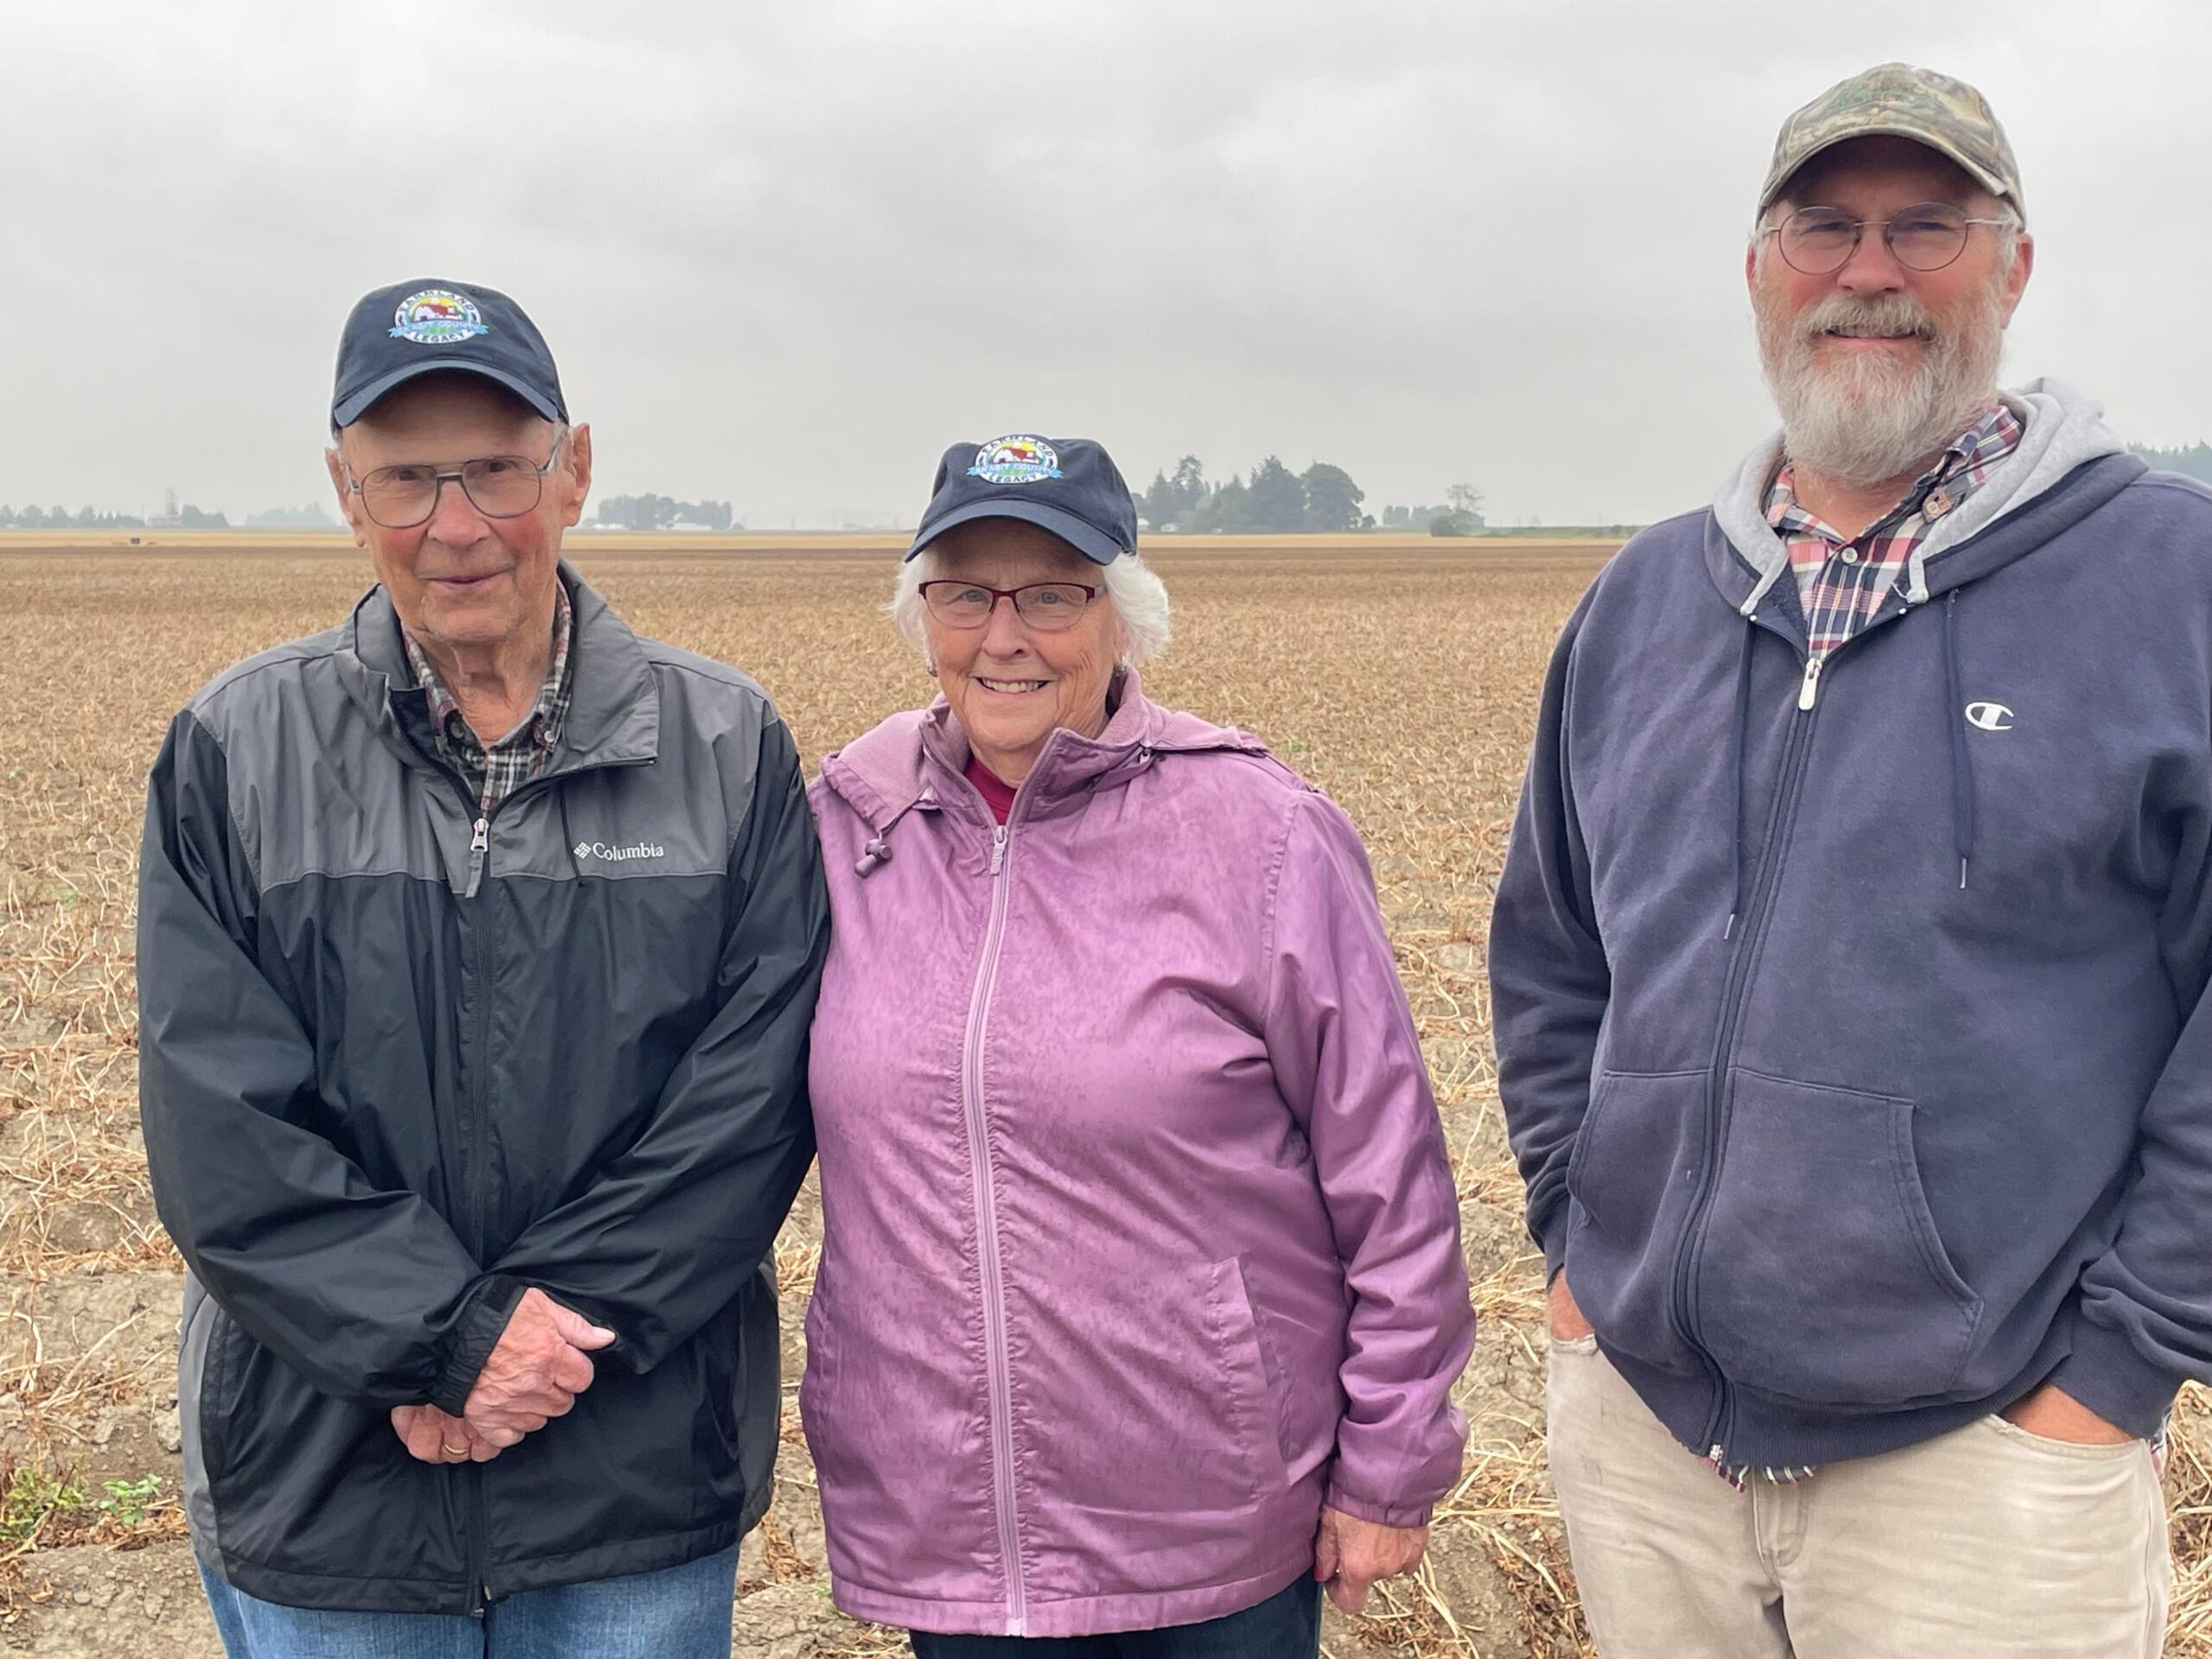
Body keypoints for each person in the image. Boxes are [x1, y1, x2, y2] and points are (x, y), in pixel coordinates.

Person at [1491, 63, 2212, 1656]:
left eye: (1924, 226)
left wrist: (2118, 1371)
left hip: (1988, 1469)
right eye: (1824, 226)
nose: (1868, 272)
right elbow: (1554, 956)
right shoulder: (1644, 606)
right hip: (1651, 1441)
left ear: (2012, 267)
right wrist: (1576, 1249)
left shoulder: (2170, 585)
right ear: (1759, 271)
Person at [137, 277, 828, 1655]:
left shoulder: (726, 748)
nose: (455, 526)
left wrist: (533, 1336)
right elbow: (222, 1128)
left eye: (498, 469)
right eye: (406, 478)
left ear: (573, 469)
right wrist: (440, 1340)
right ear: (346, 490)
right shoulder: (234, 752)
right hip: (328, 1486)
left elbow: (748, 1107)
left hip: (626, 1480)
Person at [800, 434, 1476, 1653]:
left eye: (1054, 593)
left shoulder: (1260, 834)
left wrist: (1392, 1463)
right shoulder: (849, 829)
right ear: (923, 615)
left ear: (1128, 618)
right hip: (951, 1536)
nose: (1004, 635)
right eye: (965, 592)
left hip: (1214, 1536)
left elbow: (1393, 1177)